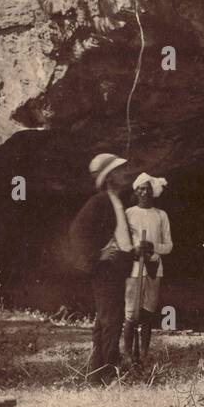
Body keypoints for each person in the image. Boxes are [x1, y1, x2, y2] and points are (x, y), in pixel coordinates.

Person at [67, 153, 135, 384]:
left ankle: (97, 371)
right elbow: (77, 232)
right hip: (106, 270)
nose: (124, 174)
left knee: (105, 319)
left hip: (117, 269)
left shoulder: (116, 200)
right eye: (118, 171)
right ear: (109, 177)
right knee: (111, 320)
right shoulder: (100, 201)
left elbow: (121, 237)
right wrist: (98, 254)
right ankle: (109, 372)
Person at [123, 173, 172, 367]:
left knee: (148, 314)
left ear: (153, 192)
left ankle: (143, 355)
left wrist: (153, 247)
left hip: (153, 268)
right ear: (135, 191)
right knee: (130, 314)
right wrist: (134, 250)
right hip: (134, 270)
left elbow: (168, 246)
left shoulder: (161, 215)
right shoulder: (128, 214)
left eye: (148, 189)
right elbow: (122, 242)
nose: (144, 192)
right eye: (141, 189)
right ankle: (127, 355)